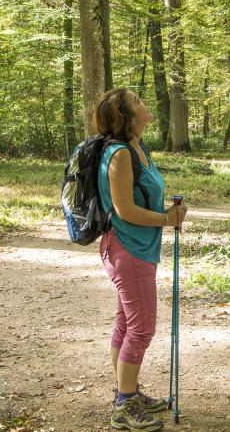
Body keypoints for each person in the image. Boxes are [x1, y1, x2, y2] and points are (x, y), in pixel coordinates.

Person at [94, 88, 189, 432]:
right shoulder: (119, 154)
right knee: (142, 326)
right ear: (127, 117)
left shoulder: (137, 147)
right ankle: (123, 403)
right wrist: (167, 220)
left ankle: (126, 392)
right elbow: (125, 210)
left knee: (126, 321)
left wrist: (168, 213)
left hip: (137, 248)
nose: (145, 103)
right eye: (137, 102)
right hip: (128, 249)